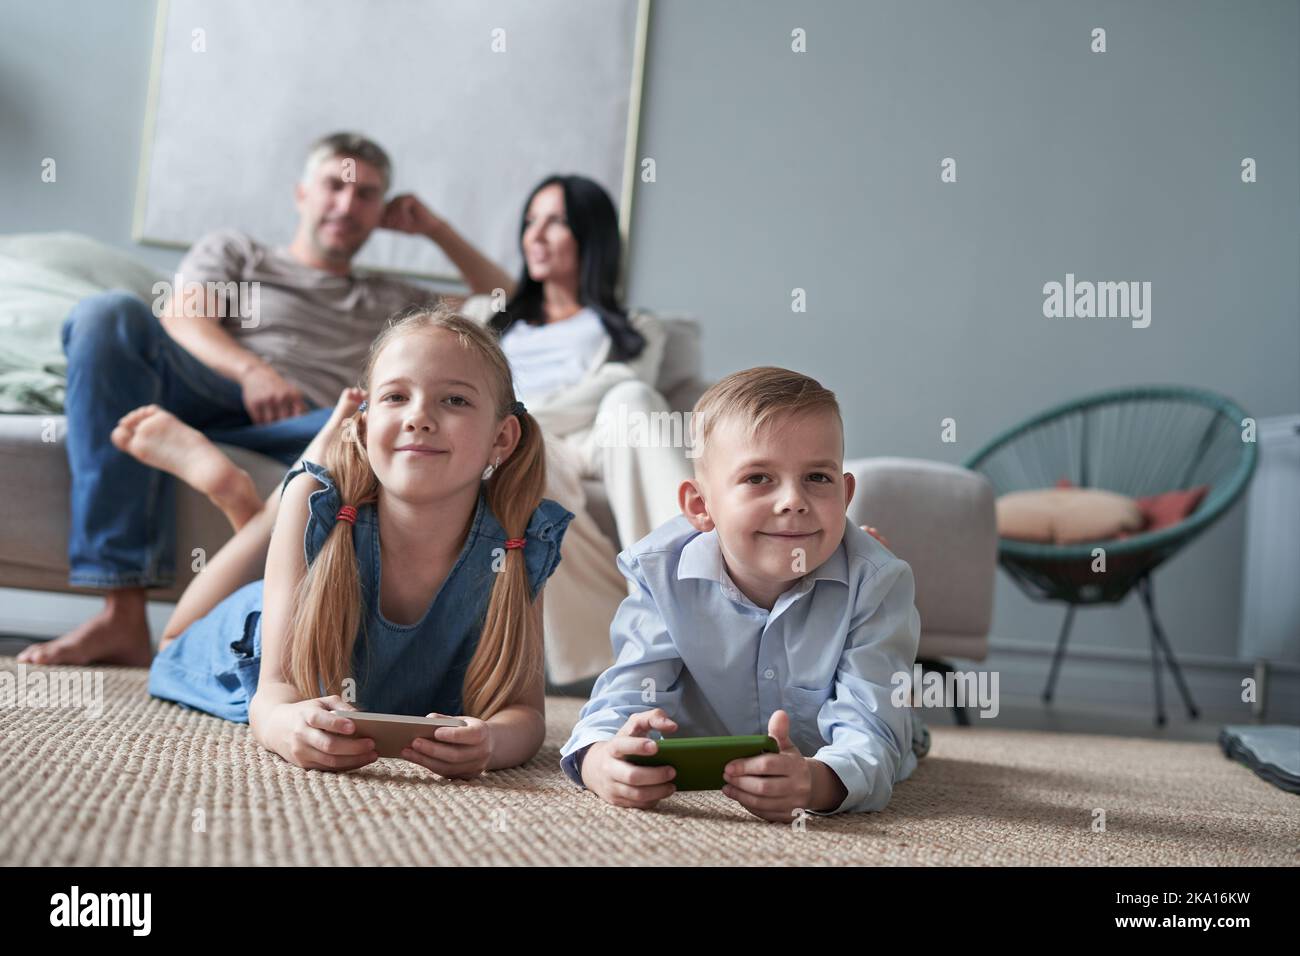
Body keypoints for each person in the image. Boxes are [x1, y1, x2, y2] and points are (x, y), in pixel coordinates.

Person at [22, 131, 511, 667]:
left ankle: (230, 487)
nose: (347, 204)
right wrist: (251, 370)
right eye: (334, 185)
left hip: (318, 422)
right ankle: (121, 613)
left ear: (382, 214)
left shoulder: (394, 297)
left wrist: (436, 230)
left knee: (368, 422)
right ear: (303, 193)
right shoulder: (240, 252)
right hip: (209, 391)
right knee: (105, 315)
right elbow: (183, 317)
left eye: (366, 195)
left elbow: (507, 302)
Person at [148, 307, 573, 776]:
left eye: (454, 400)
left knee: (296, 514)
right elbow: (273, 695)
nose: (420, 417)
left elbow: (527, 715)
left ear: (503, 438)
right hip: (256, 634)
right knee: (170, 642)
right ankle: (245, 501)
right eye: (395, 396)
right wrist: (285, 725)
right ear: (366, 426)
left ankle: (262, 515)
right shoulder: (318, 502)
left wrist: (491, 742)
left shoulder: (519, 537)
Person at [559, 367, 931, 819]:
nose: (793, 500)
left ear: (846, 494)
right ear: (700, 506)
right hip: (713, 726)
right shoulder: (659, 572)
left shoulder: (877, 581)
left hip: (843, 723)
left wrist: (817, 783)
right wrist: (600, 759)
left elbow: (870, 731)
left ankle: (914, 725)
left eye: (818, 477)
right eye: (758, 478)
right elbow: (625, 694)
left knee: (898, 728)